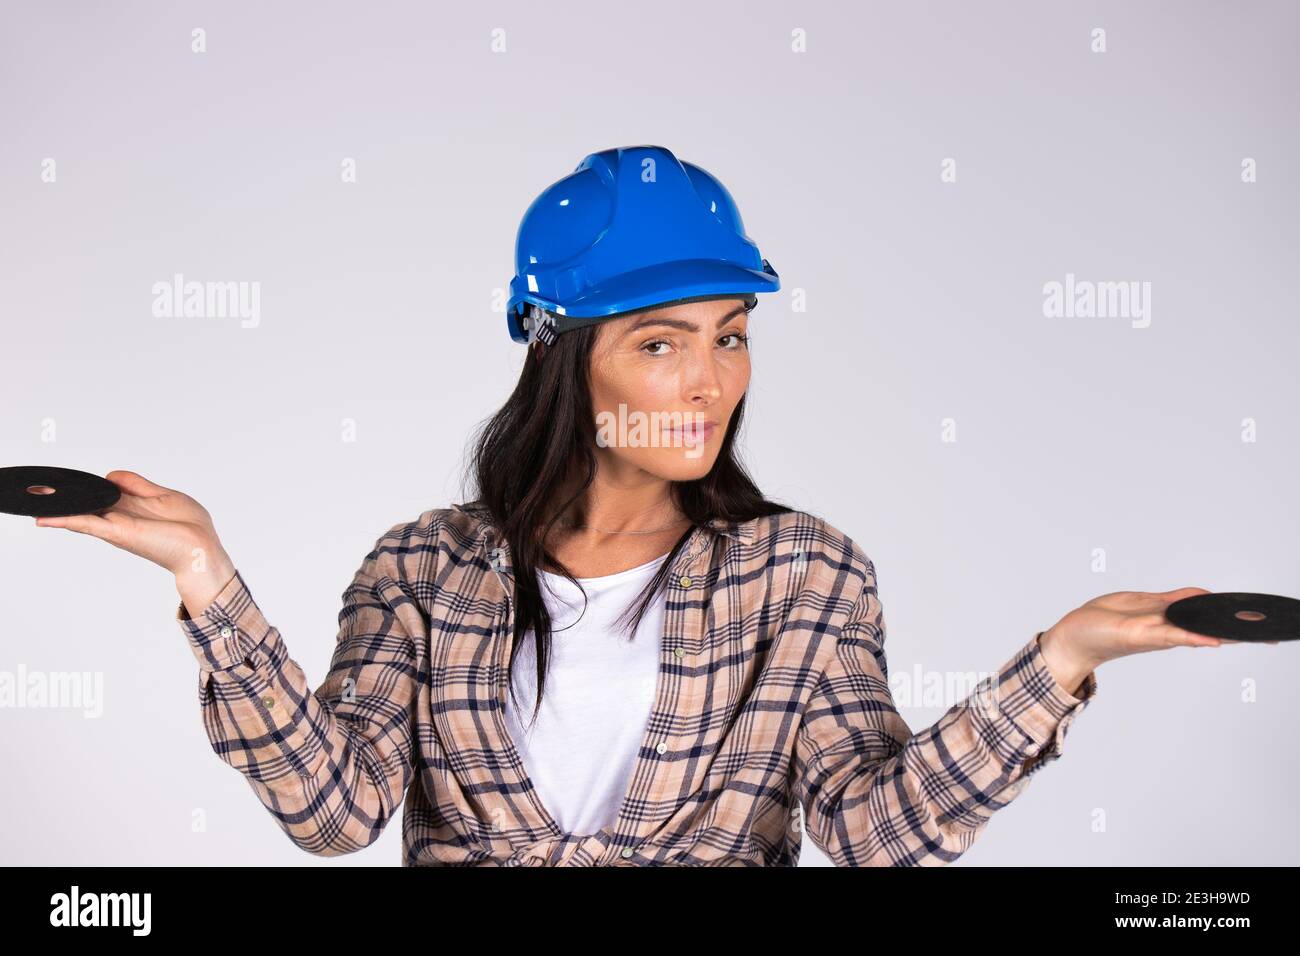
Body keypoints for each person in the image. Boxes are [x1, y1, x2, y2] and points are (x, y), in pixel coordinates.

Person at [35, 146, 1247, 866]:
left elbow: (875, 832)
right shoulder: (421, 568)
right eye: (660, 342)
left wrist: (1063, 657)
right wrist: (206, 575)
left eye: (729, 335)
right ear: (566, 356)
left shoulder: (802, 573)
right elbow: (335, 811)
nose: (710, 378)